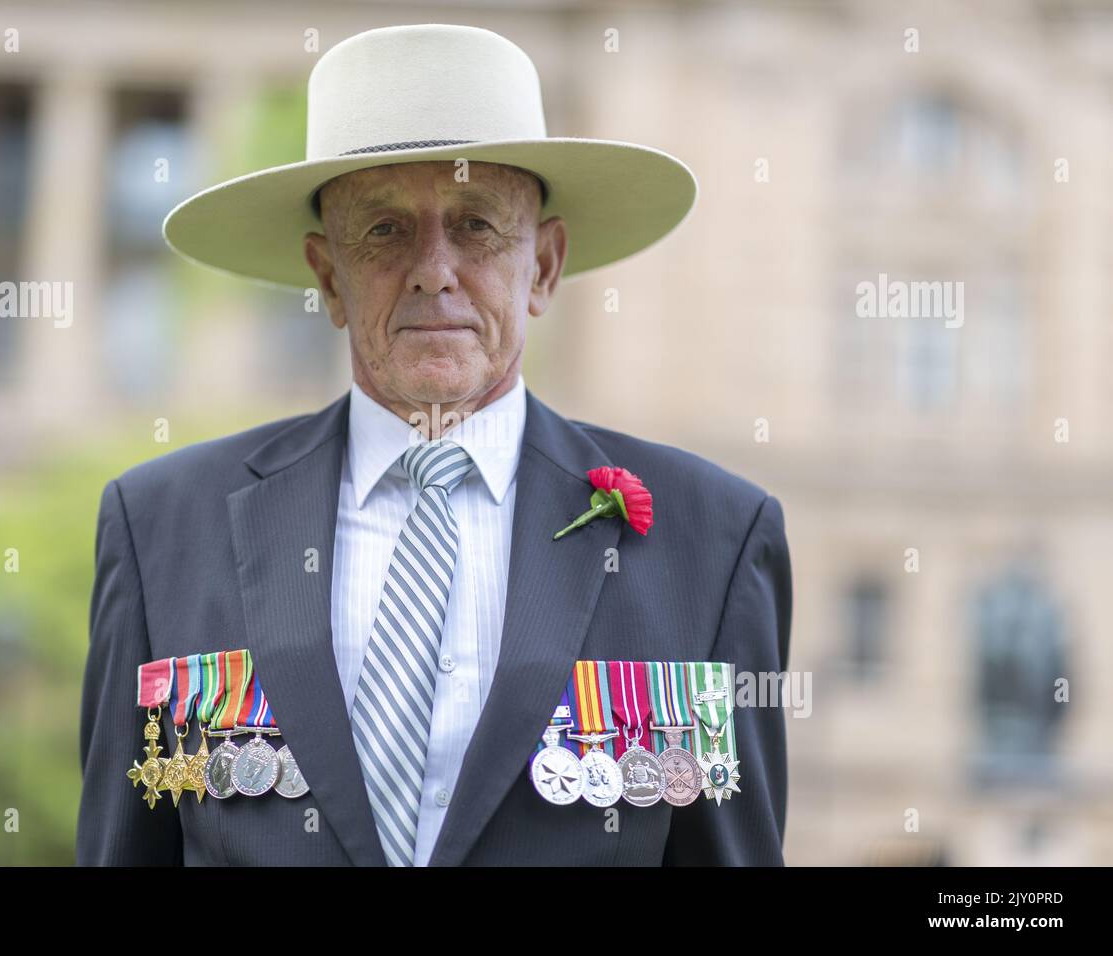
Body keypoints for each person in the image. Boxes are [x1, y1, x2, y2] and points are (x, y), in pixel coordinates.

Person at [77, 22, 791, 866]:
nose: (433, 269)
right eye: (383, 230)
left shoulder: (708, 539)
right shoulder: (161, 527)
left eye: (478, 225)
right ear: (327, 275)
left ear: (545, 266)